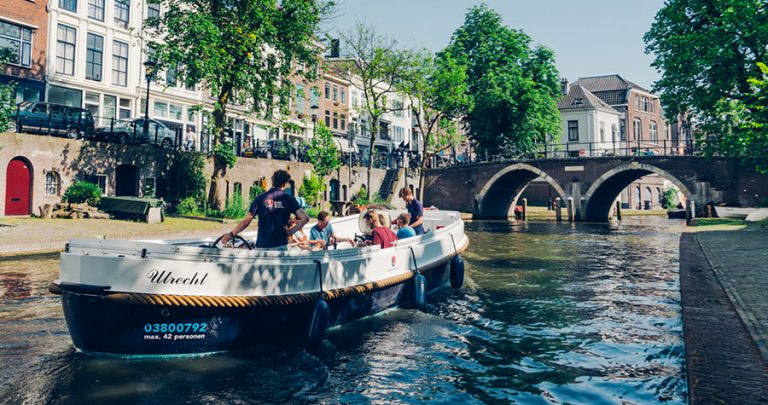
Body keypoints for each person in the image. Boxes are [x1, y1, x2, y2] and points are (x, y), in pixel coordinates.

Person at [220, 169, 308, 248]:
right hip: (280, 245)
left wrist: (231, 234)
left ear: (272, 181)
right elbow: (305, 218)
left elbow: (246, 221)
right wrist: (291, 232)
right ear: (285, 183)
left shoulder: (260, 198)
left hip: (262, 245)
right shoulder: (289, 199)